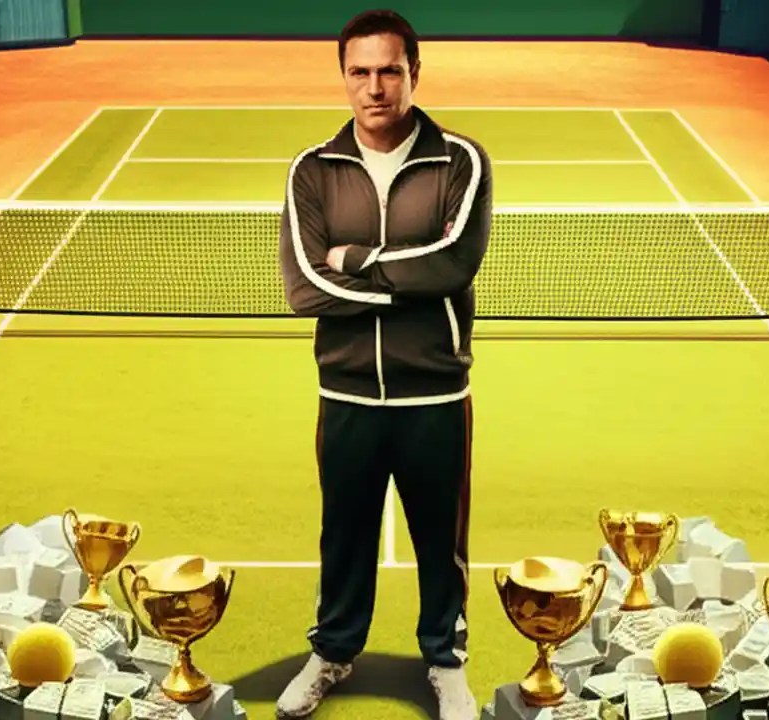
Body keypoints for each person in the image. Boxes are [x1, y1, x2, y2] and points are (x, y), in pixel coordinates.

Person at [275, 8, 493, 720]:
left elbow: (455, 262)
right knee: (343, 534)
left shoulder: (460, 160)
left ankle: (446, 661)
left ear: (414, 74)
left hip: (434, 392)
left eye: (389, 71)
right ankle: (333, 651)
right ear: (343, 78)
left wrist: (360, 263)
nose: (375, 87)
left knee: (441, 540)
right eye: (360, 72)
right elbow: (307, 286)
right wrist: (405, 281)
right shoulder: (313, 170)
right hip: (344, 394)